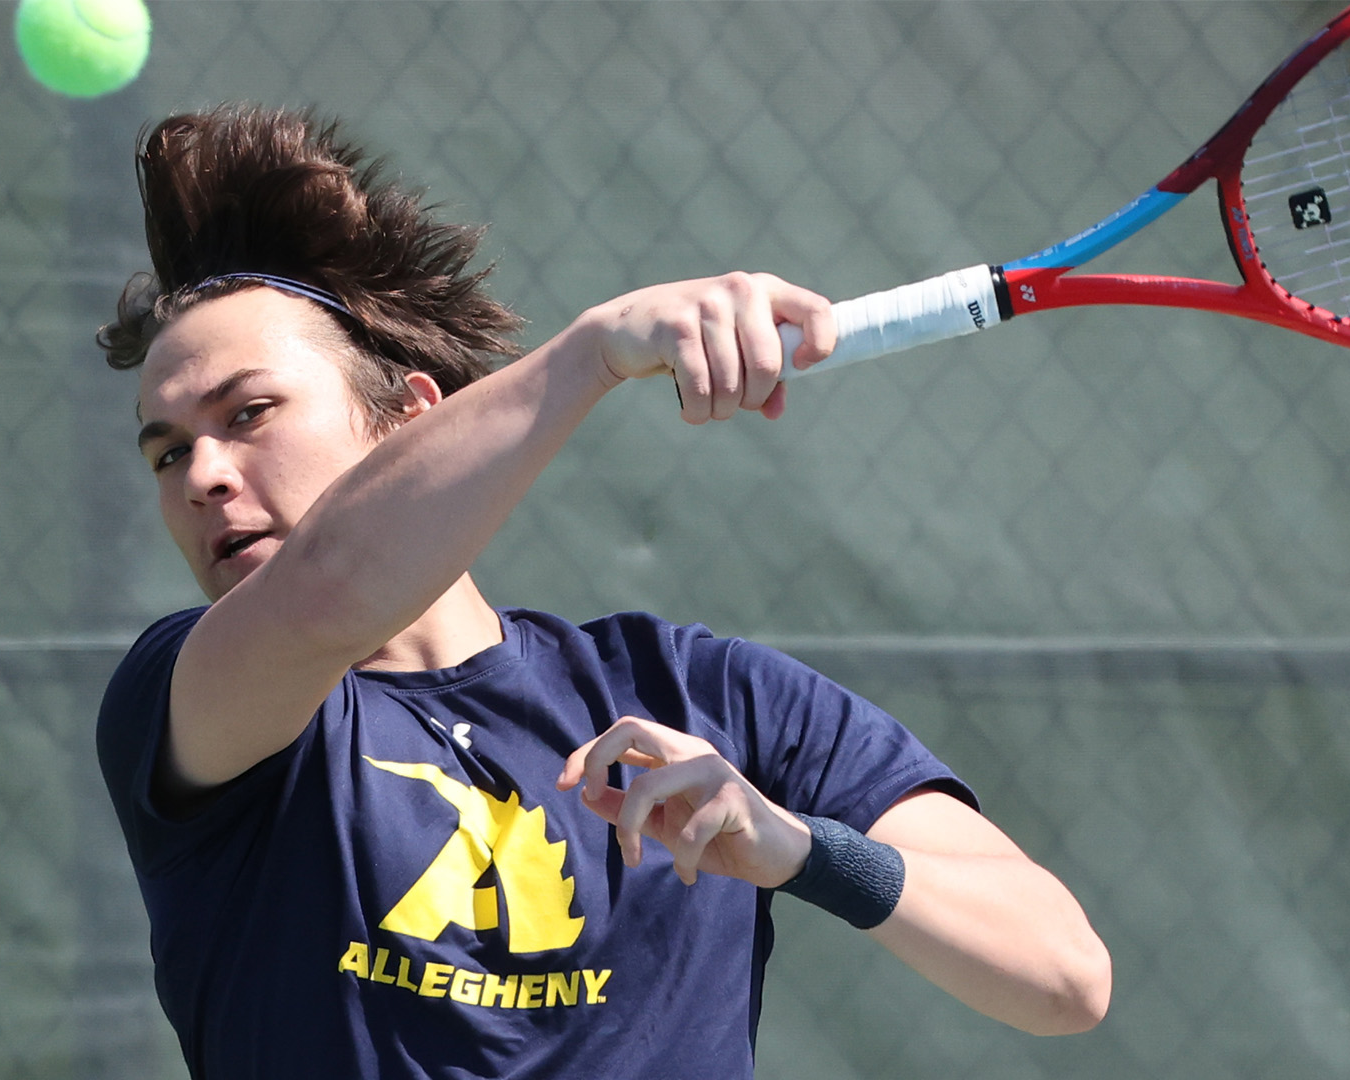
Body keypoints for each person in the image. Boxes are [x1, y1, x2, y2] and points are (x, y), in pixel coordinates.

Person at [95, 103, 1110, 1080]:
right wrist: (597, 354)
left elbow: (1064, 976)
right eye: (169, 452)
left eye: (252, 412)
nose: (203, 476)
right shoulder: (185, 706)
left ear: (409, 419)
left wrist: (800, 850)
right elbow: (331, 594)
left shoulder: (705, 698)